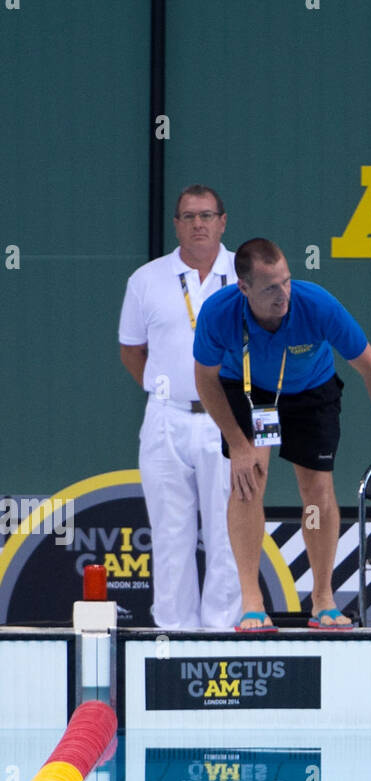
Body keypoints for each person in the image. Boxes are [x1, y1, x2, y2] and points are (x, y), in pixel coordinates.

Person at [193, 238, 371, 631]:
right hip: (248, 390)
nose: (283, 294)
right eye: (270, 288)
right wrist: (238, 444)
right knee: (248, 482)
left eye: (286, 281)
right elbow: (205, 382)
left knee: (317, 491)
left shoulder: (316, 304)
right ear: (244, 288)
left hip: (309, 391)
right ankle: (252, 600)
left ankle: (322, 598)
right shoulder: (219, 313)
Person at [118, 184, 241, 630]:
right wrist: (169, 390)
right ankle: (172, 634)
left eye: (207, 215)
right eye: (188, 216)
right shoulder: (147, 279)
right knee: (170, 534)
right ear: (176, 225)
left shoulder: (244, 276)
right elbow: (132, 351)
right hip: (167, 418)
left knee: (228, 532)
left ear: (223, 221)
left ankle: (221, 632)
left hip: (227, 419)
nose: (198, 224)